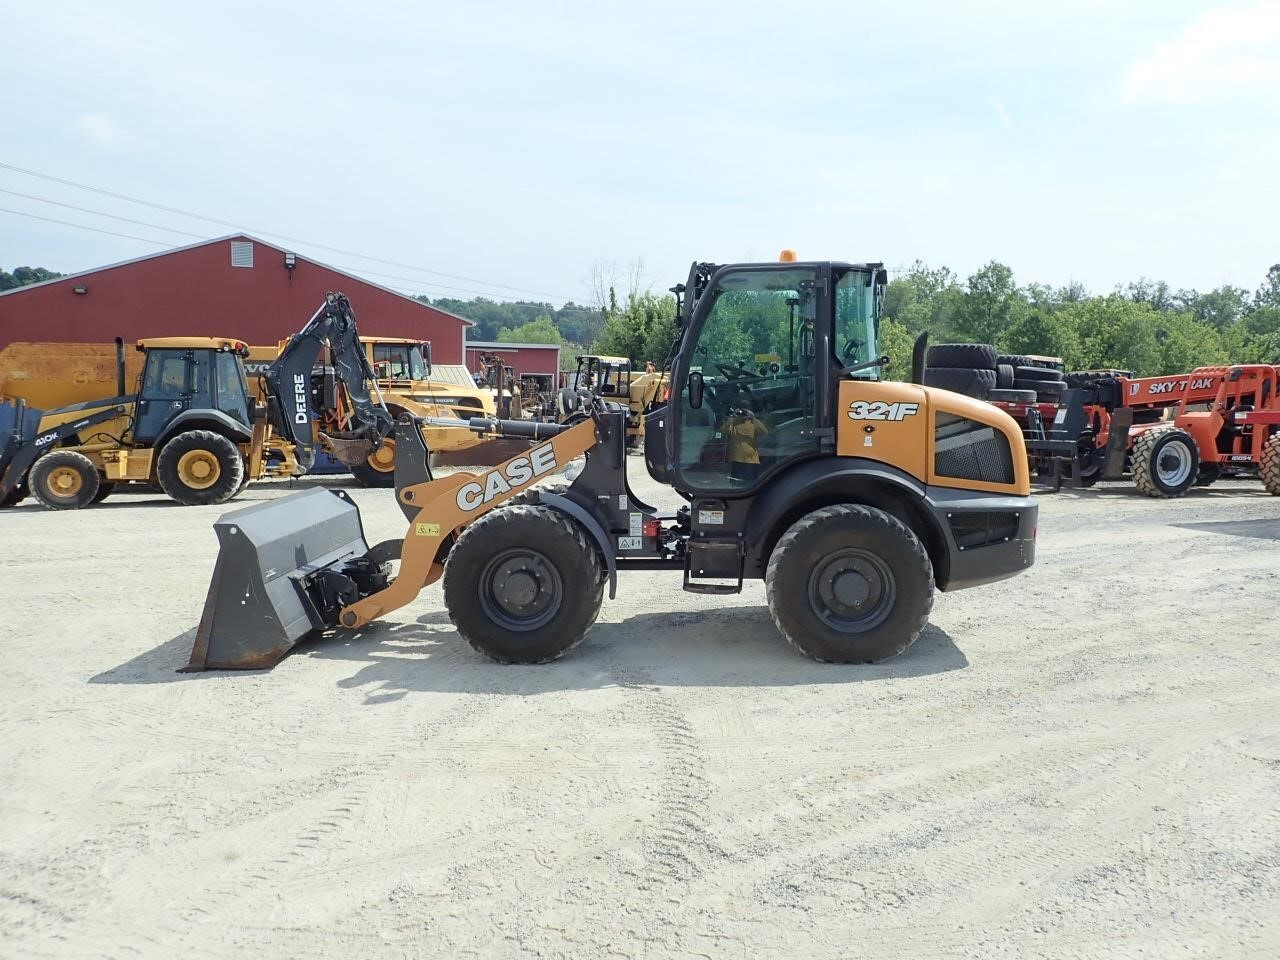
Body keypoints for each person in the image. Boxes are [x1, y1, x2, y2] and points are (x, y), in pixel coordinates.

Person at [723, 405, 768, 484]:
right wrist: (754, 419)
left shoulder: (735, 425)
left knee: (739, 483)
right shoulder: (747, 424)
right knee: (750, 483)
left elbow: (723, 430)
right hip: (747, 458)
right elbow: (764, 432)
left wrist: (731, 417)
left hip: (741, 458)